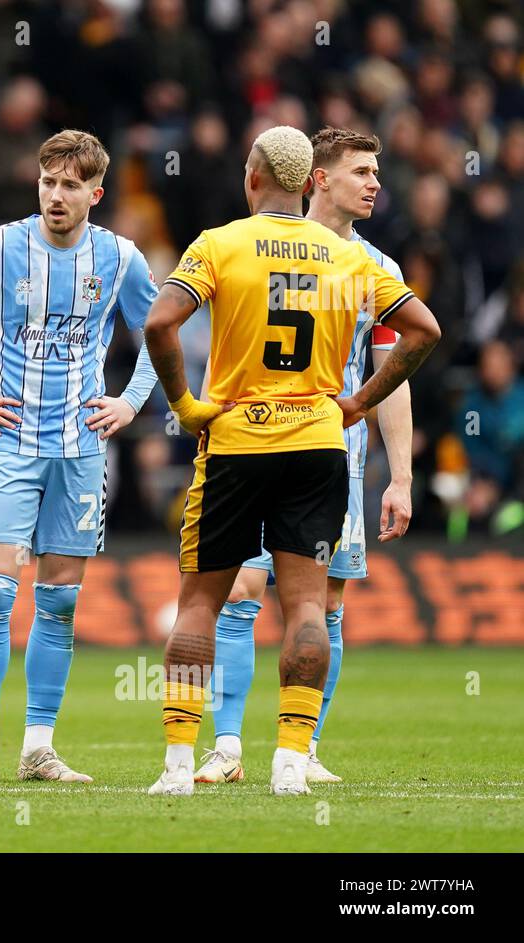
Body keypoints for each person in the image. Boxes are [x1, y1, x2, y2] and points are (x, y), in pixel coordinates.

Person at [143, 126, 440, 796]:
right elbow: (424, 330)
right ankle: (289, 761)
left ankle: (178, 767)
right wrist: (358, 401)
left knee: (199, 605)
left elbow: (160, 323)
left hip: (237, 443)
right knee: (309, 607)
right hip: (317, 444)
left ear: (252, 179)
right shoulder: (350, 259)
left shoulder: (219, 244)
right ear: (310, 182)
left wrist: (187, 406)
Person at [0, 129, 159, 785]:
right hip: (9, 445)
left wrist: (131, 401)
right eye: (48, 181)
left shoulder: (121, 258)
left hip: (80, 452)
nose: (56, 194)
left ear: (96, 193)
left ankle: (39, 747)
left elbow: (160, 330)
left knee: (59, 604)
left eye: (71, 185)